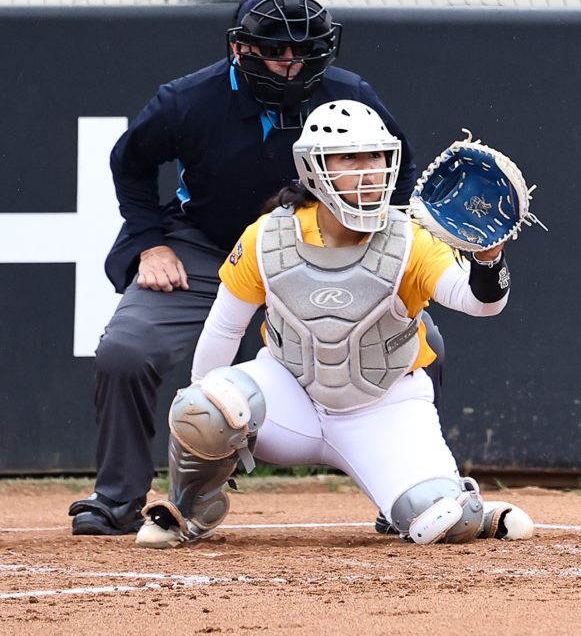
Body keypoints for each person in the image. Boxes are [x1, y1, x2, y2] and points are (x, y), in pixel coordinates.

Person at [69, 0, 419, 537]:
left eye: (306, 50)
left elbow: (395, 170)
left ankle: (405, 488)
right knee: (125, 351)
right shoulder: (186, 100)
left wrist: (374, 246)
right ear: (240, 49)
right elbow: (130, 163)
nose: (291, 62)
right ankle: (117, 498)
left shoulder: (349, 93)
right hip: (206, 247)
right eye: (276, 50)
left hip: (318, 253)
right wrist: (149, 242)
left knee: (421, 344)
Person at [135, 103, 533, 548]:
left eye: (376, 156)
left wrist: (488, 257)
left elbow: (481, 304)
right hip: (290, 397)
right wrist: (203, 429)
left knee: (441, 522)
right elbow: (225, 329)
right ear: (313, 169)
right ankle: (190, 509)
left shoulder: (410, 238)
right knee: (204, 406)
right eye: (350, 158)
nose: (369, 171)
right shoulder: (268, 236)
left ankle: (458, 504)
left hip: (383, 405)